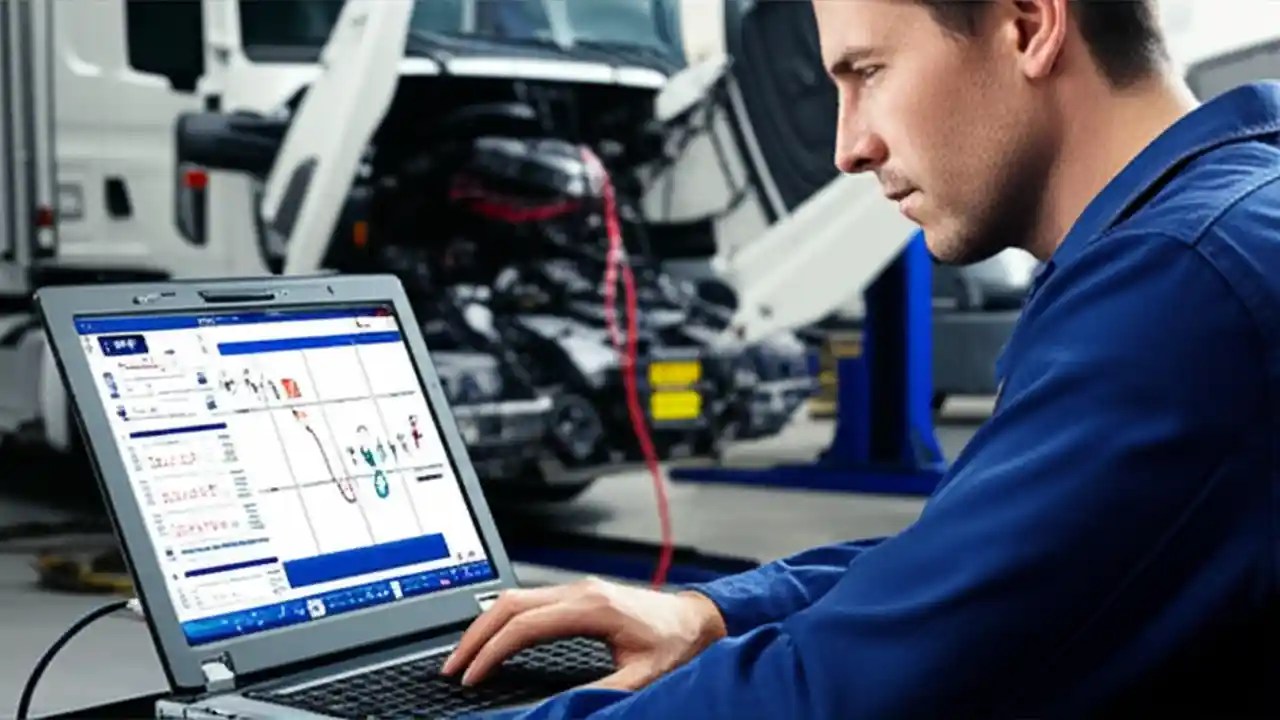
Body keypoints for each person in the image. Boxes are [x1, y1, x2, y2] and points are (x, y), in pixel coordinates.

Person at [442, 0, 1280, 716]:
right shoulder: (1227, 219)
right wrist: (712, 615)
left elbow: (849, 693)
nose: (849, 147)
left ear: (1029, 24)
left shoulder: (1182, 286)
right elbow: (975, 562)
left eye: (867, 73)